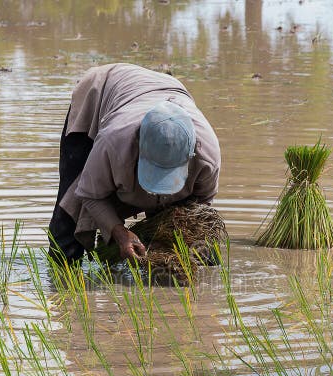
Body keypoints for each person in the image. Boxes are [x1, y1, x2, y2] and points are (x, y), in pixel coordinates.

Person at [48, 63, 221, 263]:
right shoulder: (114, 142)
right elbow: (88, 194)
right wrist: (119, 233)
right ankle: (64, 271)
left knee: (198, 247)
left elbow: (201, 207)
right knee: (68, 223)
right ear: (138, 146)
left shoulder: (207, 155)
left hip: (168, 89)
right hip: (102, 91)